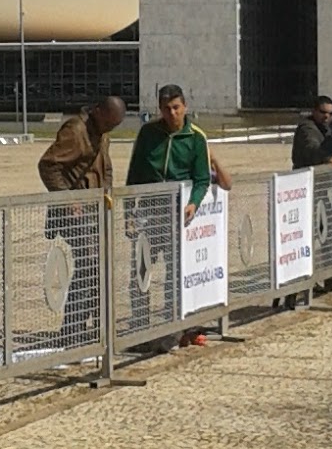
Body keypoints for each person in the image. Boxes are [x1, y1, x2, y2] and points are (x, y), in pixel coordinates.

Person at [125, 84, 212, 347]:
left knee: (175, 272)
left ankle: (174, 326)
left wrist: (193, 203)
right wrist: (129, 210)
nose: (171, 113)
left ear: (185, 107)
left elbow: (202, 179)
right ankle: (140, 327)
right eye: (166, 108)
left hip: (178, 216)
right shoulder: (148, 133)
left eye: (176, 107)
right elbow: (134, 174)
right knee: (140, 272)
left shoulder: (196, 138)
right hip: (149, 213)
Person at [38, 97, 126, 343]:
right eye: (109, 122)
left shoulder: (101, 132)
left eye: (114, 126)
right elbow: (47, 165)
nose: (110, 129)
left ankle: (95, 328)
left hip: (95, 209)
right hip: (74, 212)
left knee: (97, 268)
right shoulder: (76, 131)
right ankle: (72, 332)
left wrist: (107, 195)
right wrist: (68, 198)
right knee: (89, 265)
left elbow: (105, 167)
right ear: (98, 111)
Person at [291, 95, 332, 170]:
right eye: (323, 112)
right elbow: (311, 148)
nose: (326, 116)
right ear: (314, 111)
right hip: (306, 175)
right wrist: (327, 158)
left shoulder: (326, 127)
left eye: (330, 114)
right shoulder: (307, 128)